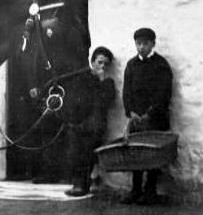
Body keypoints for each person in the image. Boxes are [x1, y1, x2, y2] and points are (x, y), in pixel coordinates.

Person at [121, 27, 173, 204]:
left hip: (155, 118)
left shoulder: (161, 65)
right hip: (136, 119)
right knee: (136, 154)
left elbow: (164, 92)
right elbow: (126, 92)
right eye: (138, 43)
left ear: (153, 44)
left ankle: (150, 191)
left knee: (152, 155)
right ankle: (135, 190)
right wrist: (131, 112)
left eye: (145, 43)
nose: (141, 47)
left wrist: (150, 113)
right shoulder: (131, 65)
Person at [64, 46, 116, 197]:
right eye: (99, 62)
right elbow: (74, 100)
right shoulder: (81, 79)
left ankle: (83, 185)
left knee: (87, 154)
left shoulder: (108, 83)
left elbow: (105, 102)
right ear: (92, 62)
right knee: (74, 153)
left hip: (94, 125)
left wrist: (100, 81)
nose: (102, 67)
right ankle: (77, 183)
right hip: (79, 122)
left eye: (106, 64)